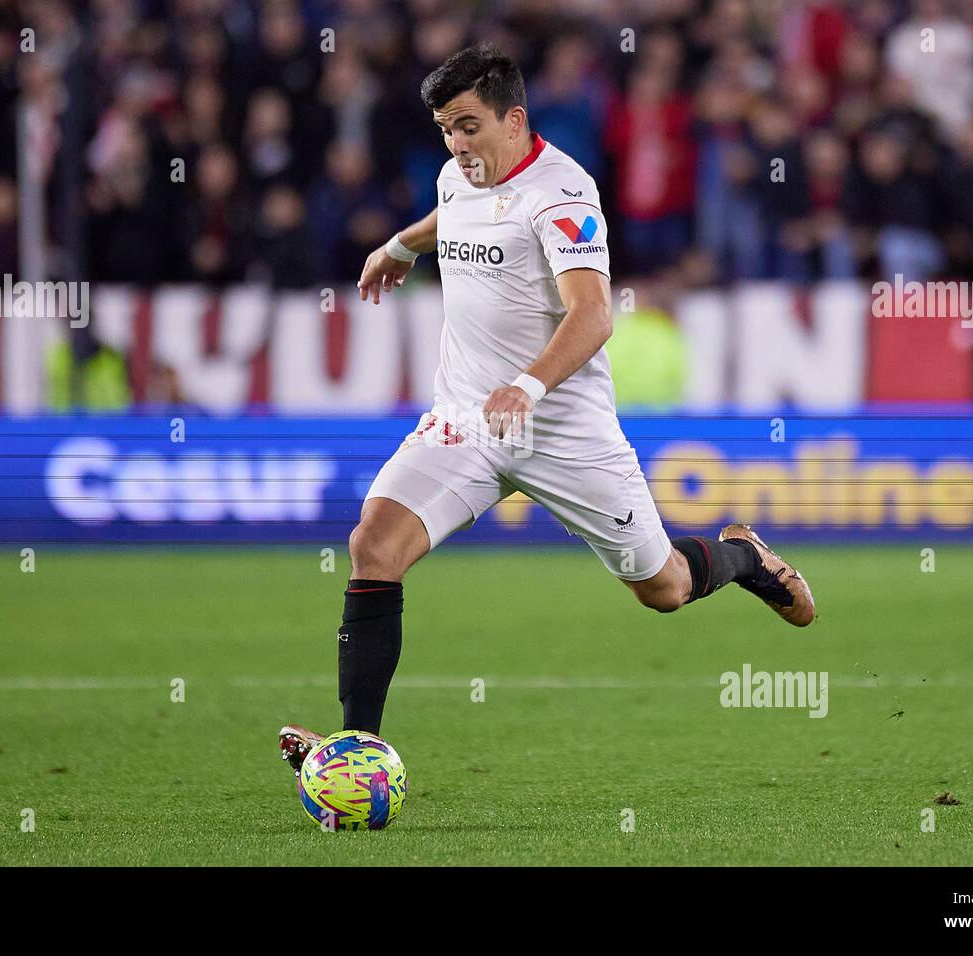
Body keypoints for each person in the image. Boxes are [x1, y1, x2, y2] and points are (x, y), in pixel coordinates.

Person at [279, 44, 816, 772]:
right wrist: (403, 244)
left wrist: (527, 386)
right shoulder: (457, 175)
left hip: (561, 427)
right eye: (445, 128)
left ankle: (743, 555)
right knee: (374, 544)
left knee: (662, 587)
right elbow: (459, 212)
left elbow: (594, 316)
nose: (457, 145)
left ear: (515, 119)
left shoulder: (563, 193)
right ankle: (357, 746)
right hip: (466, 419)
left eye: (469, 126)